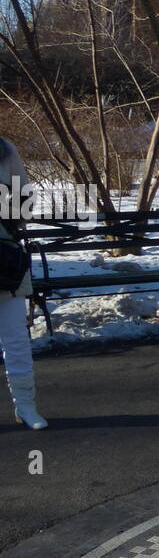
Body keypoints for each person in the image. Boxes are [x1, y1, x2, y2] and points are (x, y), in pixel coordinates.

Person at [0, 137, 47, 429]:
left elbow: (25, 202)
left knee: (15, 337)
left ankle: (26, 407)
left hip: (4, 259)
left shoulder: (4, 150)